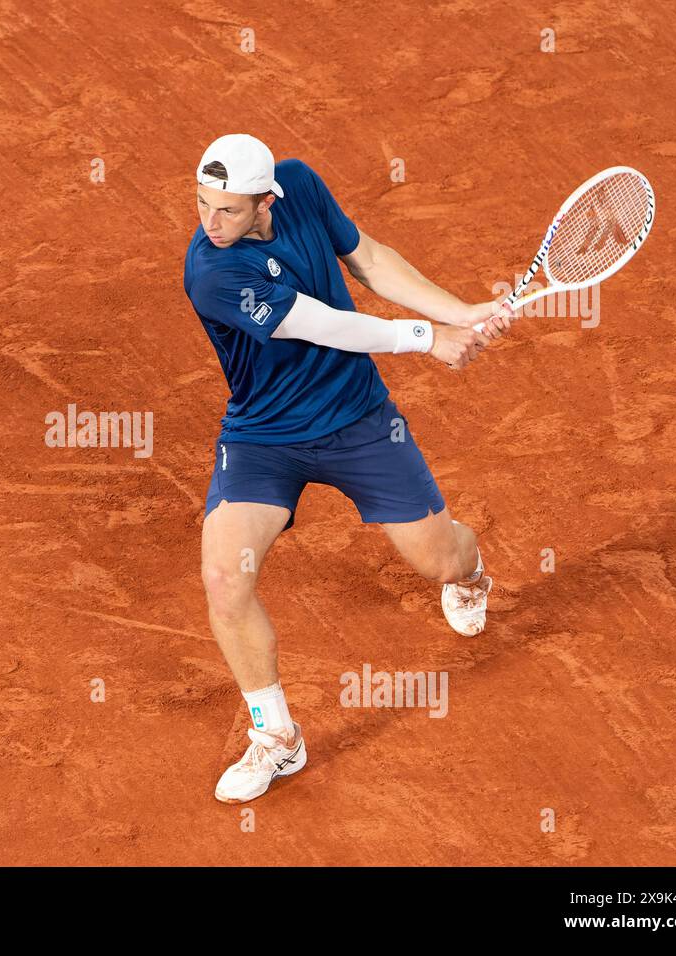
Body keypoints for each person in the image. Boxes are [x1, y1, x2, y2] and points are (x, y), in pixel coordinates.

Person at [182, 133, 513, 803]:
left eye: (227, 210)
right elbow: (323, 325)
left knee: (441, 560)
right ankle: (276, 736)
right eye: (201, 204)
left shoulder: (299, 183)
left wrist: (457, 310)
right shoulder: (212, 272)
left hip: (360, 422)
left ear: (267, 199)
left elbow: (367, 258)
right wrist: (428, 339)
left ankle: (471, 573)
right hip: (263, 437)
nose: (208, 223)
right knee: (223, 578)